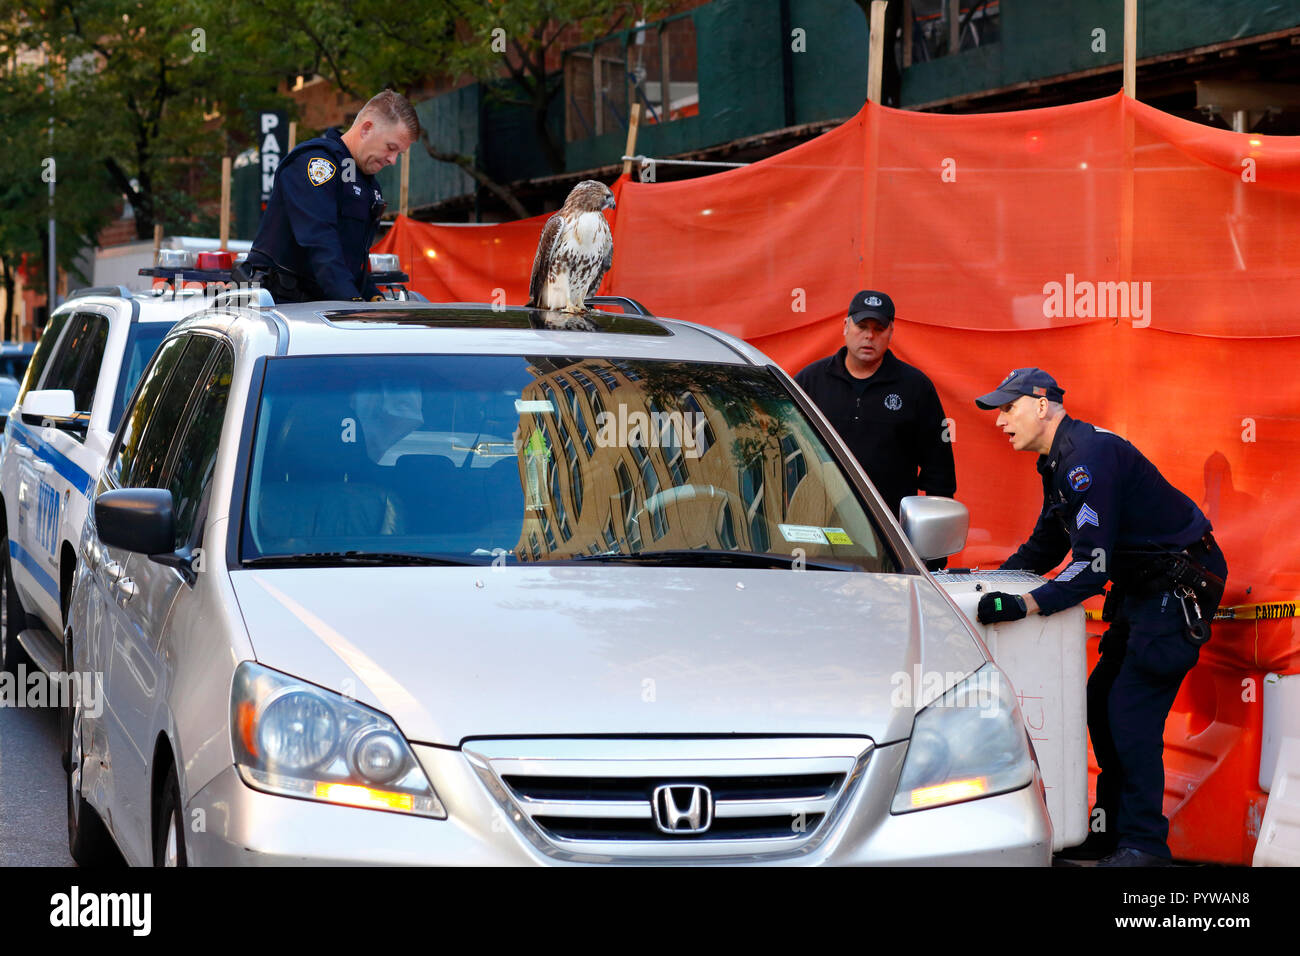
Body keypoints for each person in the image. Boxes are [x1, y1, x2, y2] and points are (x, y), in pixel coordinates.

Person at [972, 368, 1228, 867]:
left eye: (1008, 408)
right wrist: (987, 584)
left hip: (1177, 586)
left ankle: (1144, 846)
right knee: (1102, 701)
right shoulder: (1059, 460)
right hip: (1144, 586)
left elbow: (1092, 567)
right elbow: (1047, 543)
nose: (1000, 420)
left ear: (1041, 404)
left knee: (1130, 712)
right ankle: (1111, 832)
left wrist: (1024, 604)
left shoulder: (1086, 460)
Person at [238, 89, 419, 303]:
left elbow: (350, 263)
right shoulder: (316, 163)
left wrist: (372, 297)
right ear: (366, 129)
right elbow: (320, 243)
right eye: (391, 148)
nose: (393, 160)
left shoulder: (366, 183)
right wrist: (352, 302)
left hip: (320, 309)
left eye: (399, 153)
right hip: (280, 310)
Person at [794, 290, 956, 519]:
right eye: (862, 326)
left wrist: (935, 543)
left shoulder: (916, 388)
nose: (869, 336)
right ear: (845, 326)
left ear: (891, 332)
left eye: (879, 329)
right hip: (819, 523)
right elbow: (785, 452)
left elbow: (940, 471)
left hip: (888, 533)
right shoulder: (810, 381)